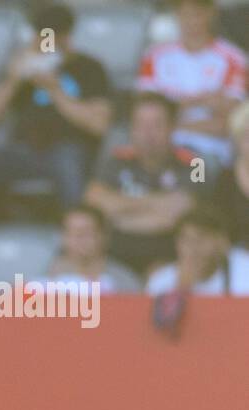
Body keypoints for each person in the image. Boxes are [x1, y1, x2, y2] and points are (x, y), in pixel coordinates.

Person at [0, 1, 111, 233]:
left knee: (69, 165)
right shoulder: (22, 68)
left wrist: (55, 90)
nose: (44, 43)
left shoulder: (89, 68)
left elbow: (99, 125)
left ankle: (76, 239)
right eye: (40, 36)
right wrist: (13, 81)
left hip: (68, 150)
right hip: (22, 151)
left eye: (51, 36)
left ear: (66, 37)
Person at [84, 92, 198, 279]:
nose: (148, 133)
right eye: (140, 125)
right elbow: (94, 201)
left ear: (172, 127)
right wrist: (159, 205)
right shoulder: (113, 160)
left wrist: (122, 210)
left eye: (157, 124)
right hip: (115, 256)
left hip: (171, 256)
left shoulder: (195, 161)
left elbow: (187, 207)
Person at [135, 0, 246, 174]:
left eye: (197, 13)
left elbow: (230, 123)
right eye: (184, 14)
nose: (191, 21)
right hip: (158, 150)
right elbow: (145, 110)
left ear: (211, 13)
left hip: (206, 151)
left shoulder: (234, 59)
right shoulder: (154, 56)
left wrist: (171, 111)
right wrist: (202, 100)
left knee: (195, 179)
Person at [145, 205, 249, 296]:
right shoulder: (161, 280)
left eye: (201, 238)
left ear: (221, 242)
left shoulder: (243, 267)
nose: (193, 249)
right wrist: (181, 288)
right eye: (186, 240)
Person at [41, 204, 141, 293]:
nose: (79, 238)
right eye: (72, 232)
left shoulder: (123, 281)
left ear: (103, 236)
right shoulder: (46, 281)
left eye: (86, 232)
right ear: (63, 237)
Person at [210, 100, 249, 248]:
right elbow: (217, 228)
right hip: (236, 258)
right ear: (237, 141)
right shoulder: (225, 179)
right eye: (247, 136)